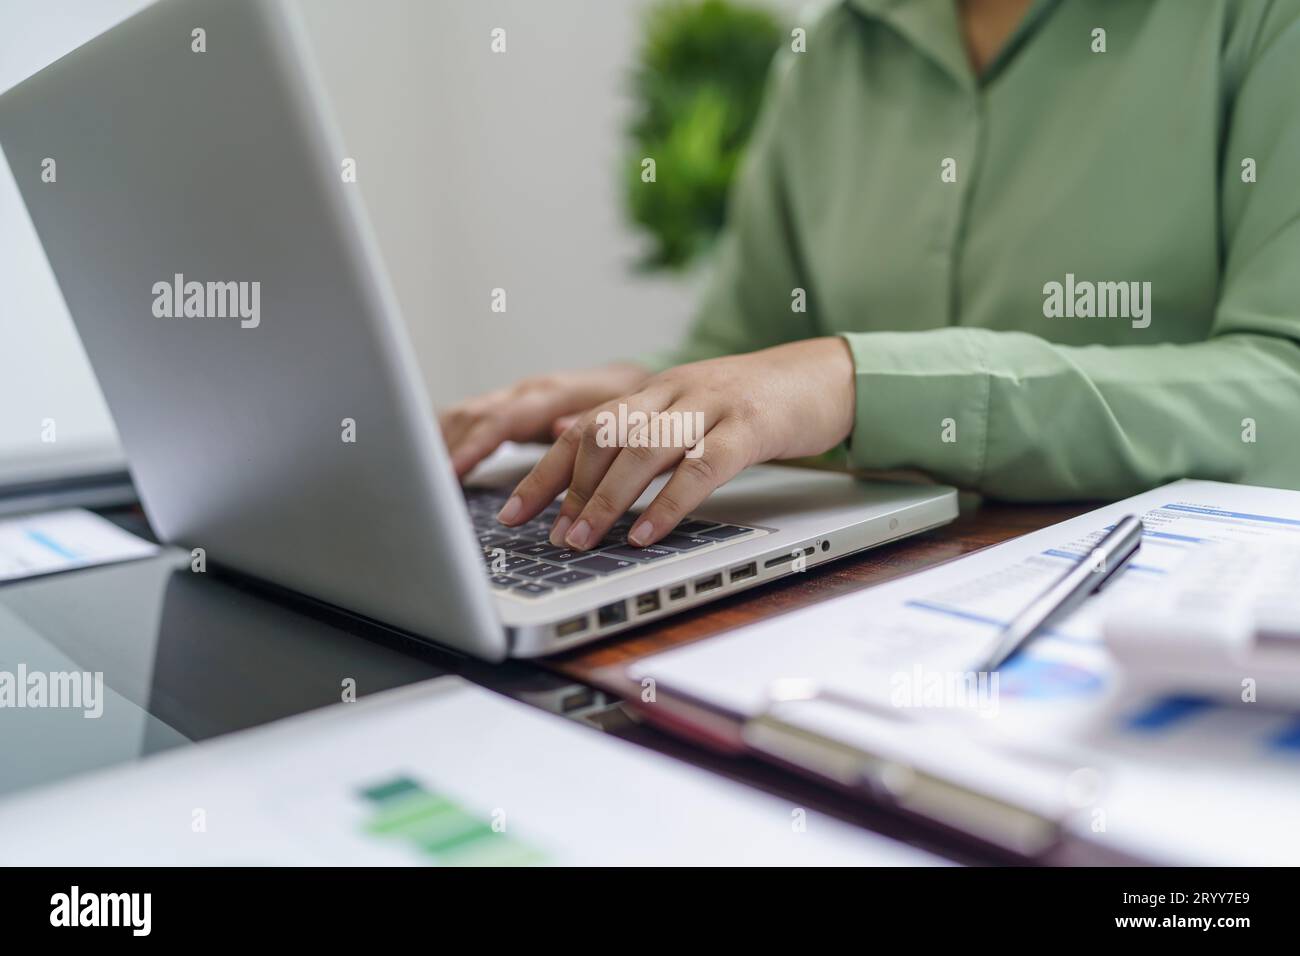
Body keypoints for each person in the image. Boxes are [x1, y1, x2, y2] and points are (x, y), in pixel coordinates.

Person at [439, 0, 1300, 554]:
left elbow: (1281, 391)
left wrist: (858, 379)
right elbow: (750, 353)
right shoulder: (833, 50)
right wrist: (639, 400)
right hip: (867, 613)